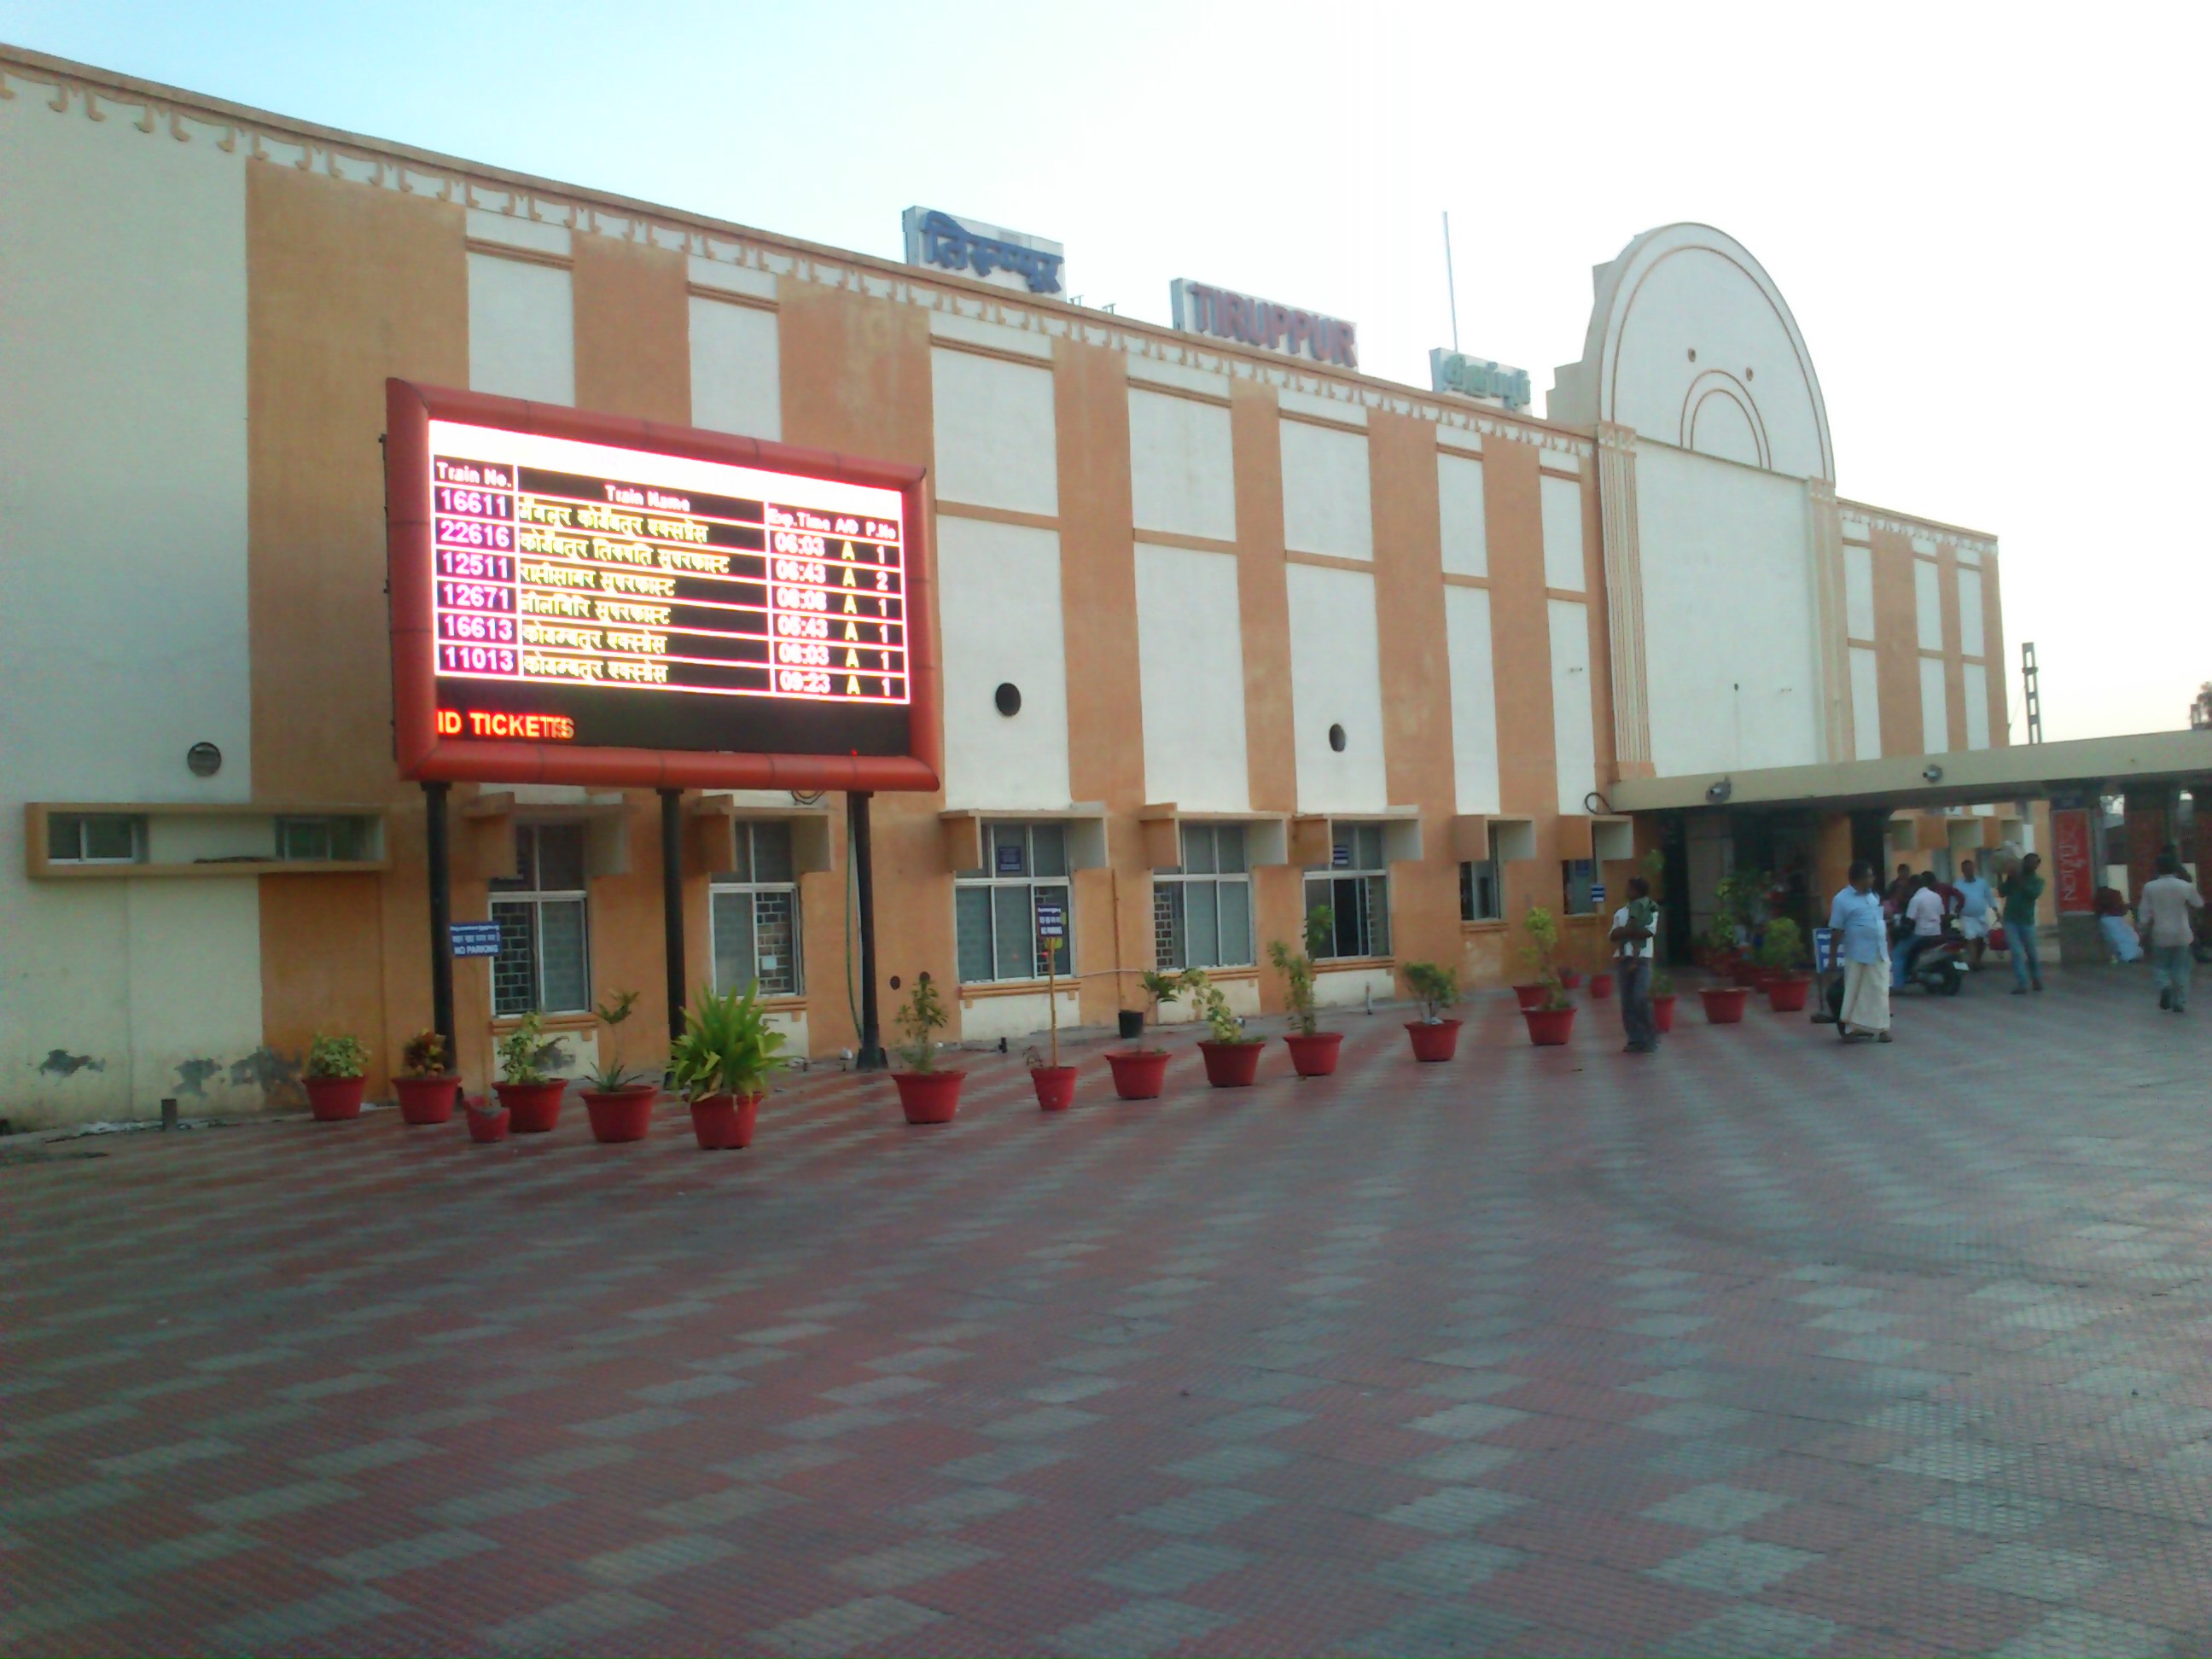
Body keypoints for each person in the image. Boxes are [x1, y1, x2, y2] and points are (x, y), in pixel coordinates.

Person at [1830, 860, 1891, 1041]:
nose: (1873, 879)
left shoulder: (1873, 896)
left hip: (1878, 951)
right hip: (1857, 953)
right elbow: (1836, 929)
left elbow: (1879, 922)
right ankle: (1851, 1029)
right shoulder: (1841, 899)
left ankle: (1882, 1029)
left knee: (1880, 991)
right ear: (1859, 879)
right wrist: (1832, 958)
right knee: (1855, 993)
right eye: (1870, 876)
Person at [2138, 853, 2205, 1013]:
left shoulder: (2150, 887)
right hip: (2182, 933)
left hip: (2160, 933)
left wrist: (2141, 928)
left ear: (2157, 868)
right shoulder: (2184, 886)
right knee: (2181, 968)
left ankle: (2165, 985)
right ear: (2175, 867)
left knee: (2161, 966)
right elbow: (2199, 904)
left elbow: (2145, 912)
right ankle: (2179, 1002)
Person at [1610, 876, 1660, 1053]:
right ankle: (1634, 1039)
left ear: (1638, 891)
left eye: (1629, 888)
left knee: (1640, 997)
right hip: (1624, 959)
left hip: (1642, 959)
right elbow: (1613, 935)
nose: (1626, 891)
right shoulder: (1621, 913)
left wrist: (1625, 931)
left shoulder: (1650, 910)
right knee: (1627, 1001)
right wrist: (1628, 931)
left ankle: (1649, 1037)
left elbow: (1648, 932)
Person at [1892, 872, 1947, 989]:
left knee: (1898, 953)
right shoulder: (1936, 896)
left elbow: (1910, 921)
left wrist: (1902, 927)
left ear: (1915, 885)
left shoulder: (1916, 899)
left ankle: (1898, 985)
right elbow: (1942, 916)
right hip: (1937, 933)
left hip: (1921, 934)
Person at [2001, 853, 2046, 993]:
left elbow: (2032, 894)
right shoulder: (2013, 878)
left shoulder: (2038, 881)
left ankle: (2036, 978)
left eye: (2033, 863)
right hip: (2010, 920)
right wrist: (1999, 876)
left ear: (2037, 865)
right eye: (2028, 862)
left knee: (2031, 953)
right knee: (2016, 953)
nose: (2030, 865)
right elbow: (2002, 892)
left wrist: (2018, 879)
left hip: (2027, 921)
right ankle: (2022, 983)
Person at [1954, 859, 1994, 969]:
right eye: (1967, 869)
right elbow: (1954, 900)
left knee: (1982, 940)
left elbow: (1989, 897)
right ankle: (1974, 962)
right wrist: (1954, 912)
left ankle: (1977, 960)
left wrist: (1996, 910)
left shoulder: (1982, 882)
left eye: (1971, 868)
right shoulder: (1958, 884)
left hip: (1981, 916)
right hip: (1967, 917)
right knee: (1970, 939)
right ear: (1963, 871)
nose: (1969, 871)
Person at [2093, 885, 2145, 964]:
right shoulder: (2114, 922)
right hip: (2130, 955)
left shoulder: (2107, 921)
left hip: (2129, 954)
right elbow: (2127, 939)